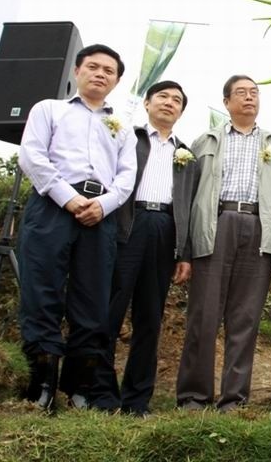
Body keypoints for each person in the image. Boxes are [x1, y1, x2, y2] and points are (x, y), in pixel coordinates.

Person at [17, 43, 137, 411]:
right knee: (42, 291)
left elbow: (127, 175)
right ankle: (40, 387)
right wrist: (67, 198)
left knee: (92, 300)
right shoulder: (48, 110)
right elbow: (32, 155)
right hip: (52, 207)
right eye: (93, 67)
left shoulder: (123, 126)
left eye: (109, 71)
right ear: (76, 71)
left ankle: (80, 387)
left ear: (116, 81)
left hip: (99, 215)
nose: (100, 74)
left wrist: (102, 205)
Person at [175, 75, 271, 412]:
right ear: (226, 102)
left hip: (258, 228)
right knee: (203, 315)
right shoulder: (204, 141)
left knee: (245, 318)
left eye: (254, 93)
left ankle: (234, 398)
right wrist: (184, 247)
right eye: (241, 93)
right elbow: (187, 193)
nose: (249, 98)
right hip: (216, 224)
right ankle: (195, 396)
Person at [91, 81, 198, 415]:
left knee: (150, 317)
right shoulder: (128, 138)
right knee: (110, 311)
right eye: (163, 97)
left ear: (181, 111)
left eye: (177, 100)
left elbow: (189, 205)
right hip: (128, 224)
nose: (169, 103)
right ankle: (100, 394)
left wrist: (184, 253)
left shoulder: (187, 154)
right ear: (148, 103)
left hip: (164, 228)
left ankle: (137, 399)